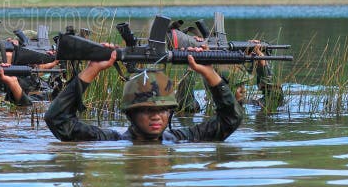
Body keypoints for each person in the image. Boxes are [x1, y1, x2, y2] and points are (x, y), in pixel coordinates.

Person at [44, 46, 243, 142]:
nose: (156, 116)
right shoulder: (109, 141)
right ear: (130, 113)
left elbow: (230, 119)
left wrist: (209, 73)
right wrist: (92, 70)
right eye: (146, 110)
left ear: (171, 112)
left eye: (163, 110)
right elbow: (57, 118)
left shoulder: (180, 138)